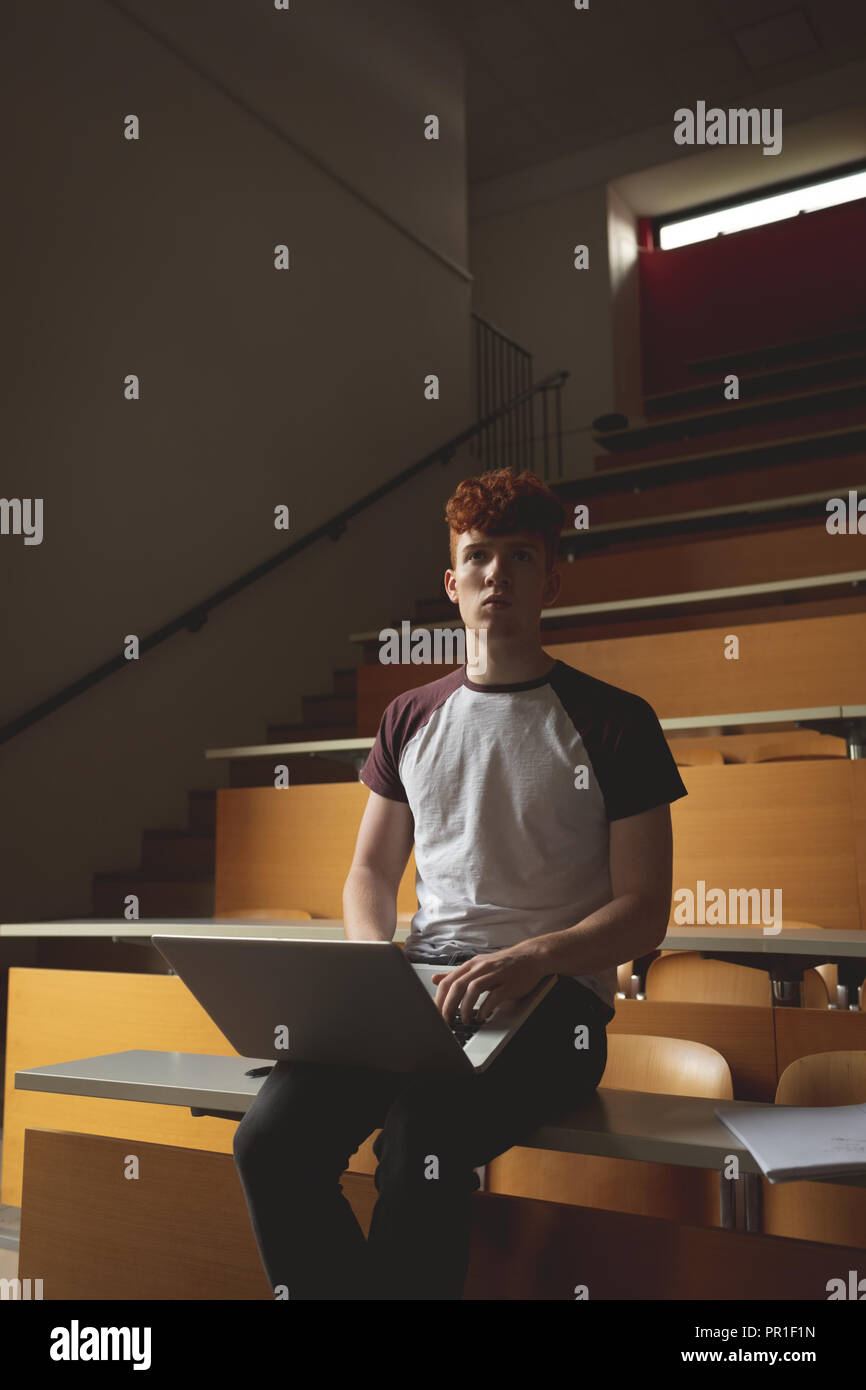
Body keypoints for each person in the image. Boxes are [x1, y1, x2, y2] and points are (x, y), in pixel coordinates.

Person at [232, 466, 687, 1300]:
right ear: (452, 583)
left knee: (419, 1147)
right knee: (271, 1140)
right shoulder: (410, 715)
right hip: (413, 995)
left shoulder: (617, 720)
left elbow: (645, 912)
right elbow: (368, 872)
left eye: (520, 556)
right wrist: (372, 969)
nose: (497, 574)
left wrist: (536, 957)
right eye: (478, 556)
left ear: (549, 579)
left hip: (555, 1012)